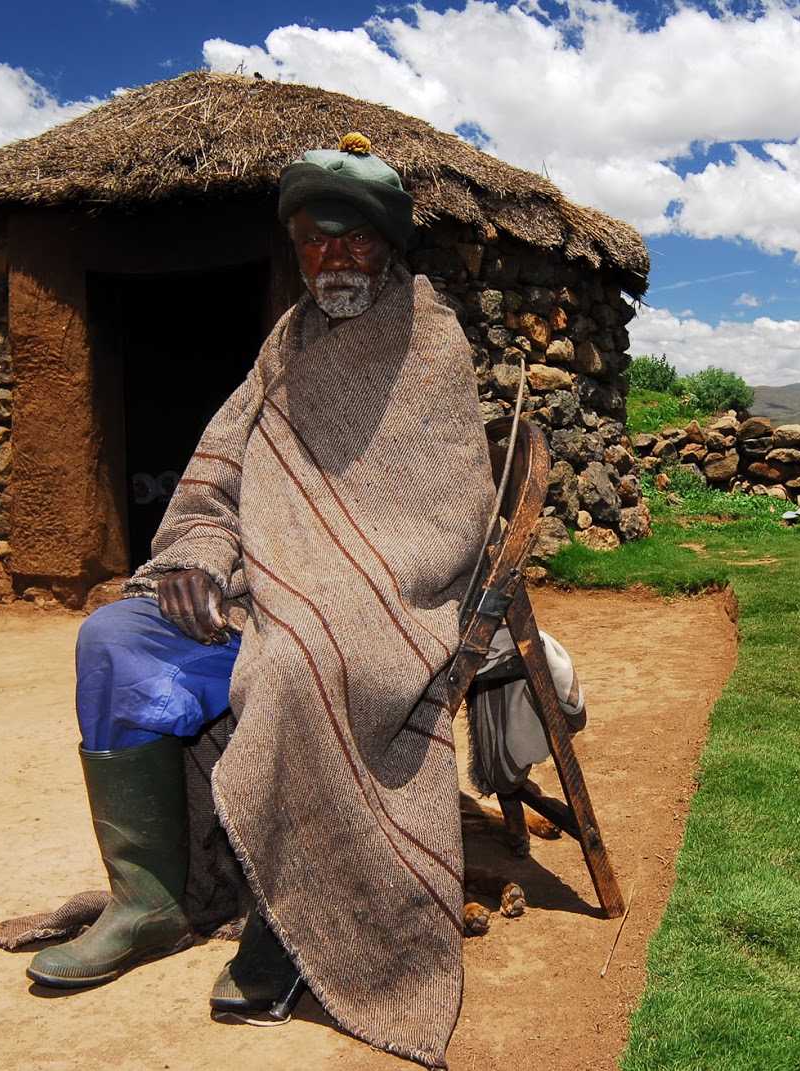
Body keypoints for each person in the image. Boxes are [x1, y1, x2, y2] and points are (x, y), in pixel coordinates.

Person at [24, 134, 496, 1070]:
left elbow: (446, 511)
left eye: (353, 238)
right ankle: (150, 900)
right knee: (114, 636)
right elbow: (221, 473)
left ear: (388, 244)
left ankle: (292, 920)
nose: (334, 258)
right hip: (258, 592)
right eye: (313, 240)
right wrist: (201, 553)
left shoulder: (430, 344)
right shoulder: (285, 344)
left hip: (376, 600)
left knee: (300, 658)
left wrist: (322, 584)